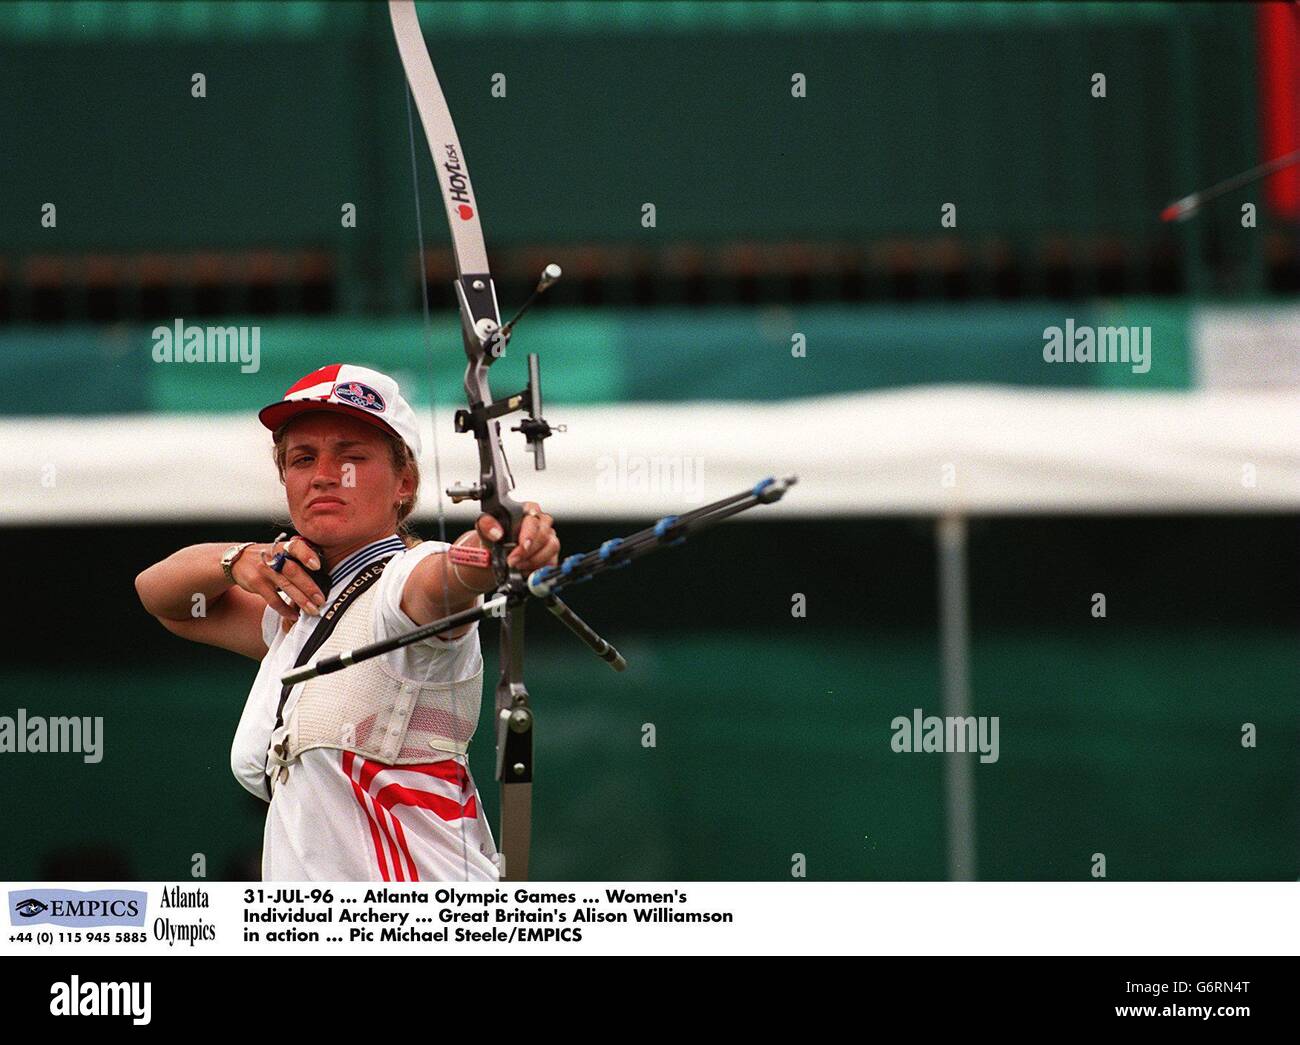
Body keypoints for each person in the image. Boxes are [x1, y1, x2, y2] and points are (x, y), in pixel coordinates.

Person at [134, 363, 558, 881]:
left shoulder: (403, 584)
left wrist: (496, 548)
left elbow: (447, 576)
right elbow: (159, 596)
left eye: (352, 456)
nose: (324, 474)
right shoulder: (298, 611)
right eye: (302, 458)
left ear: (405, 483)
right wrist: (237, 559)